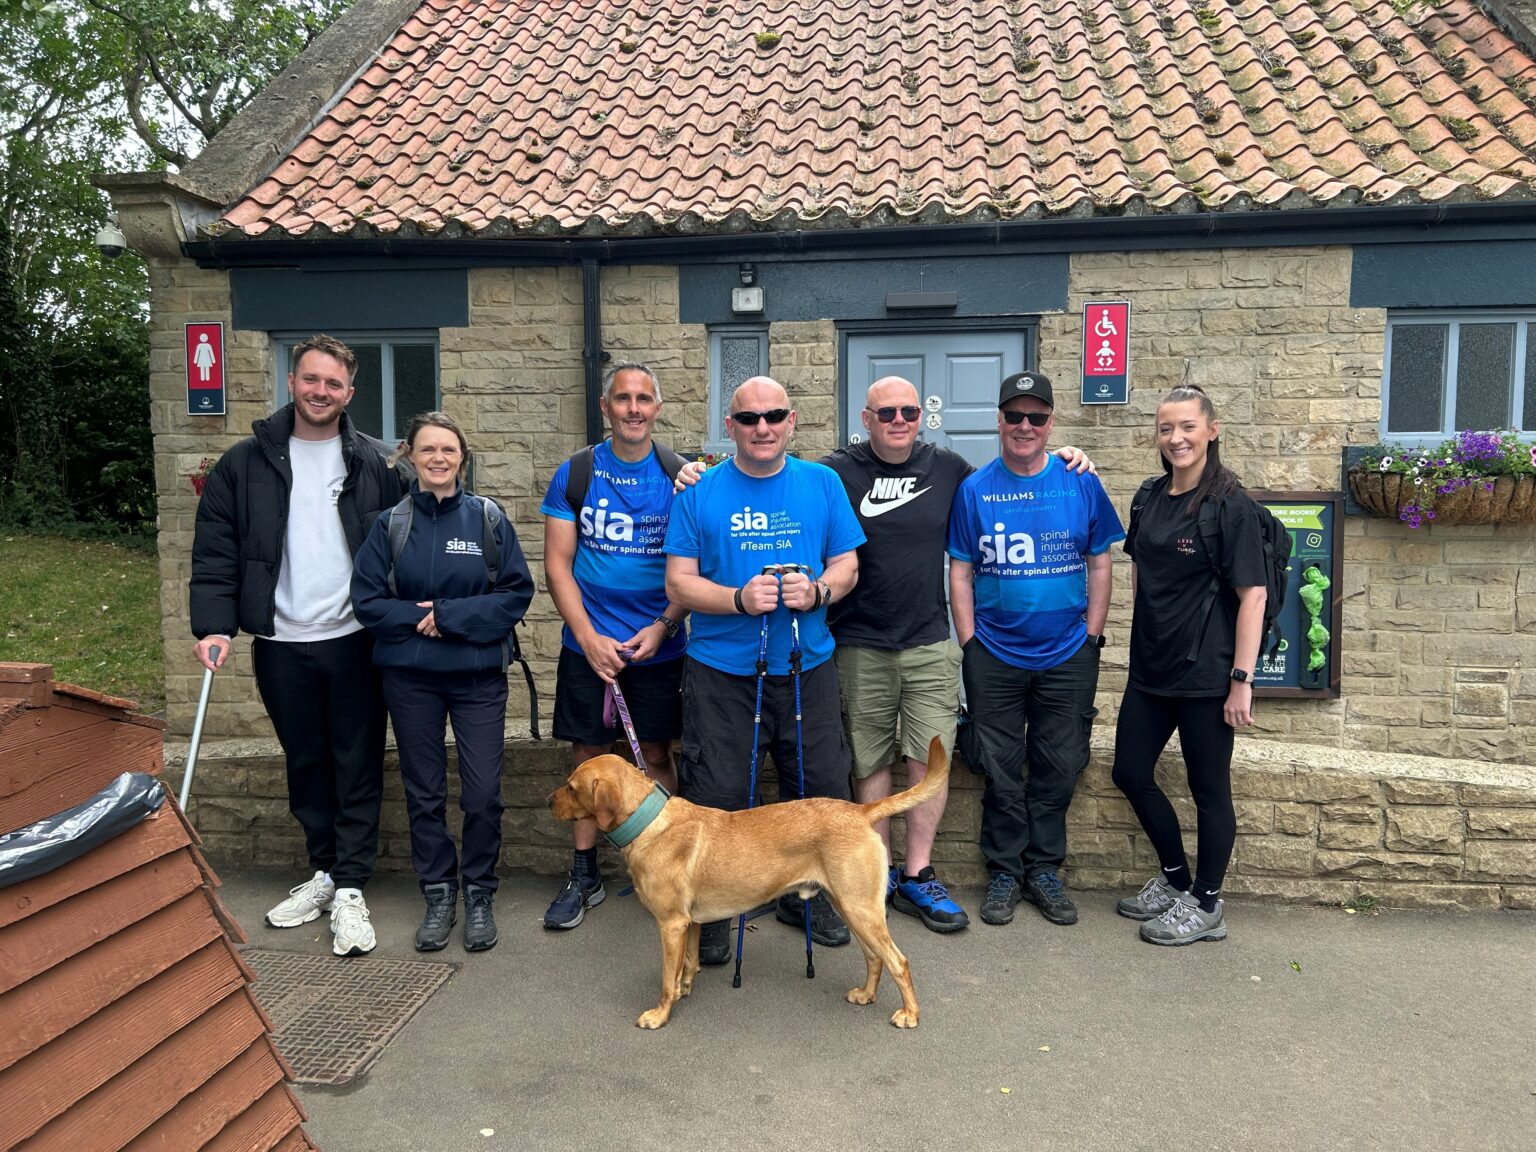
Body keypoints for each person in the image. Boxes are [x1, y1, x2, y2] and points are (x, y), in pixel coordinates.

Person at [821, 376, 1098, 934]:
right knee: (869, 760)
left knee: (930, 759)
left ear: (921, 416)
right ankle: (878, 874)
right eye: (886, 412)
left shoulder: (949, 470)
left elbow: (1018, 473)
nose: (899, 420)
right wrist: (693, 471)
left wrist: (1069, 455)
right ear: (866, 418)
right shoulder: (834, 472)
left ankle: (918, 874)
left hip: (929, 641)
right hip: (859, 644)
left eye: (909, 411)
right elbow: (773, 473)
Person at [190, 334, 406, 957]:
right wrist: (214, 625)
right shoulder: (243, 463)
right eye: (311, 379)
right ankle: (325, 871)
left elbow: (407, 543)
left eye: (333, 383)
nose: (320, 391)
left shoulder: (375, 464)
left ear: (350, 393)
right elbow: (216, 550)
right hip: (280, 640)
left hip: (353, 638)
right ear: (291, 381)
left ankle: (352, 884)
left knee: (357, 760)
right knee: (305, 762)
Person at [664, 375, 865, 965]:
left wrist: (820, 590)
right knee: (718, 795)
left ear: (791, 421)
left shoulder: (822, 483)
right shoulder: (699, 491)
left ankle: (811, 901)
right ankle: (716, 912)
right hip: (722, 674)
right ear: (730, 427)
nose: (763, 428)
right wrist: (737, 599)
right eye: (749, 419)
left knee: (820, 786)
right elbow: (678, 583)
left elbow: (848, 564)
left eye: (774, 416)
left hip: (807, 668)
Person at [351, 411, 535, 953]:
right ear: (410, 455)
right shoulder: (390, 525)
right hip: (411, 681)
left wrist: (449, 616)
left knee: (482, 794)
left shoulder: (487, 520)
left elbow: (515, 595)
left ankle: (478, 892)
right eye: (428, 449)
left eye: (448, 450)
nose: (438, 458)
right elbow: (367, 602)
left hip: (477, 679)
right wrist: (420, 618)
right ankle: (437, 891)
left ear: (462, 458)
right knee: (424, 792)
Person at [947, 370, 1123, 929]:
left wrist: (1092, 637)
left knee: (1059, 764)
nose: (1025, 426)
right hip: (994, 653)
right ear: (999, 421)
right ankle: (1004, 872)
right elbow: (960, 571)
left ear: (1051, 424)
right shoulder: (975, 489)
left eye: (1037, 417)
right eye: (1014, 415)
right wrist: (970, 641)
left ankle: (1044, 870)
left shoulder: (1080, 481)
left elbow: (1100, 562)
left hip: (1069, 652)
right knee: (998, 767)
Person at [539, 362, 695, 930]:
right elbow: (557, 564)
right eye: (623, 399)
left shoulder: (680, 476)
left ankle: (666, 863)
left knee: (656, 755)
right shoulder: (577, 473)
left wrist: (663, 626)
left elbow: (695, 569)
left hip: (658, 646)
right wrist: (588, 638)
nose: (634, 408)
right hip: (589, 646)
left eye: (644, 399)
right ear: (606, 408)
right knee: (586, 756)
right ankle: (584, 875)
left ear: (658, 408)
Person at [1111, 384, 1268, 945]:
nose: (1175, 438)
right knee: (1129, 772)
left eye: (1187, 427)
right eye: (1165, 428)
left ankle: (1206, 904)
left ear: (1212, 431)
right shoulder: (1148, 498)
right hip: (1152, 669)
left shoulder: (1231, 506)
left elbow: (1253, 595)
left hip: (1207, 675)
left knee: (1209, 790)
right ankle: (1177, 878)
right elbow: (1141, 568)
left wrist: (1241, 680)